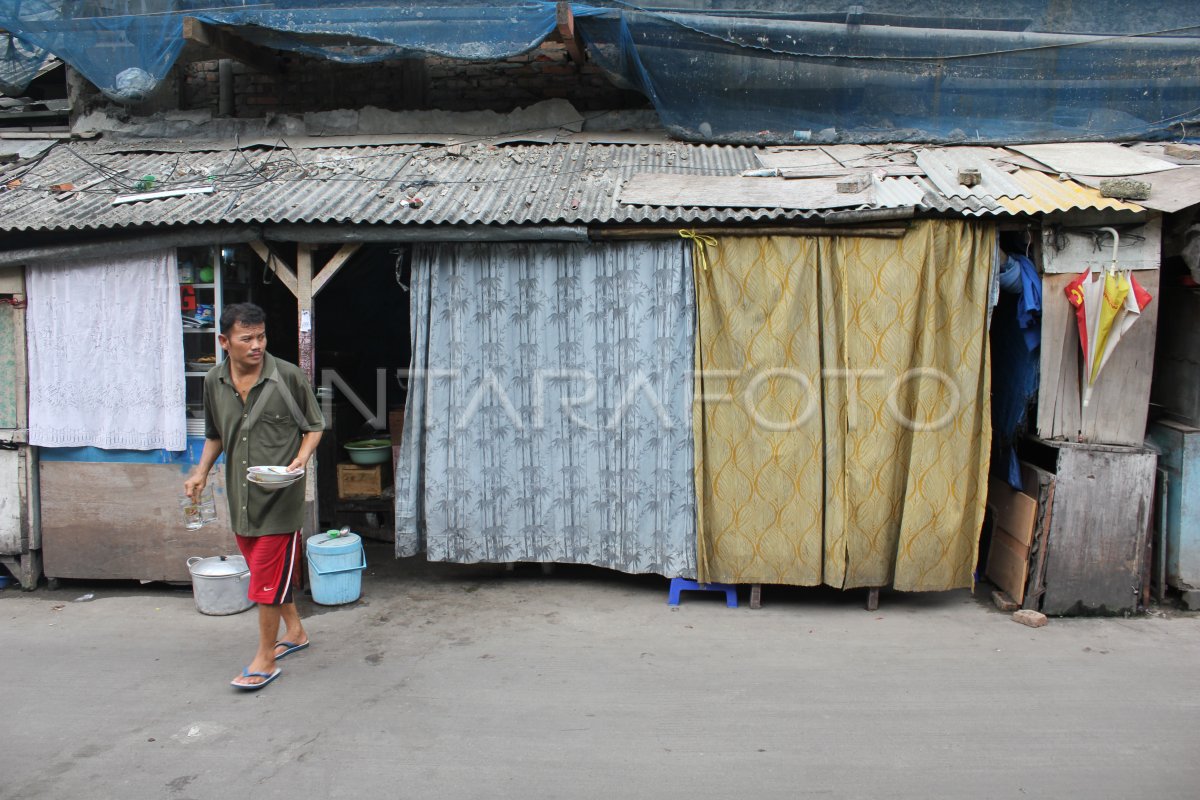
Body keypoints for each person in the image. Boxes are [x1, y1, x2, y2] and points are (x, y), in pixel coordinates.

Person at [184, 302, 324, 691]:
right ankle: (295, 632)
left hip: (281, 498)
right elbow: (215, 434)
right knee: (269, 576)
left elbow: (314, 426)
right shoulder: (213, 381)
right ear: (224, 341)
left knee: (264, 578)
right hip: (241, 498)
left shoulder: (287, 377)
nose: (257, 345)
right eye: (247, 338)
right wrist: (200, 472)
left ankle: (264, 657)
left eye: (261, 336)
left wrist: (301, 457)